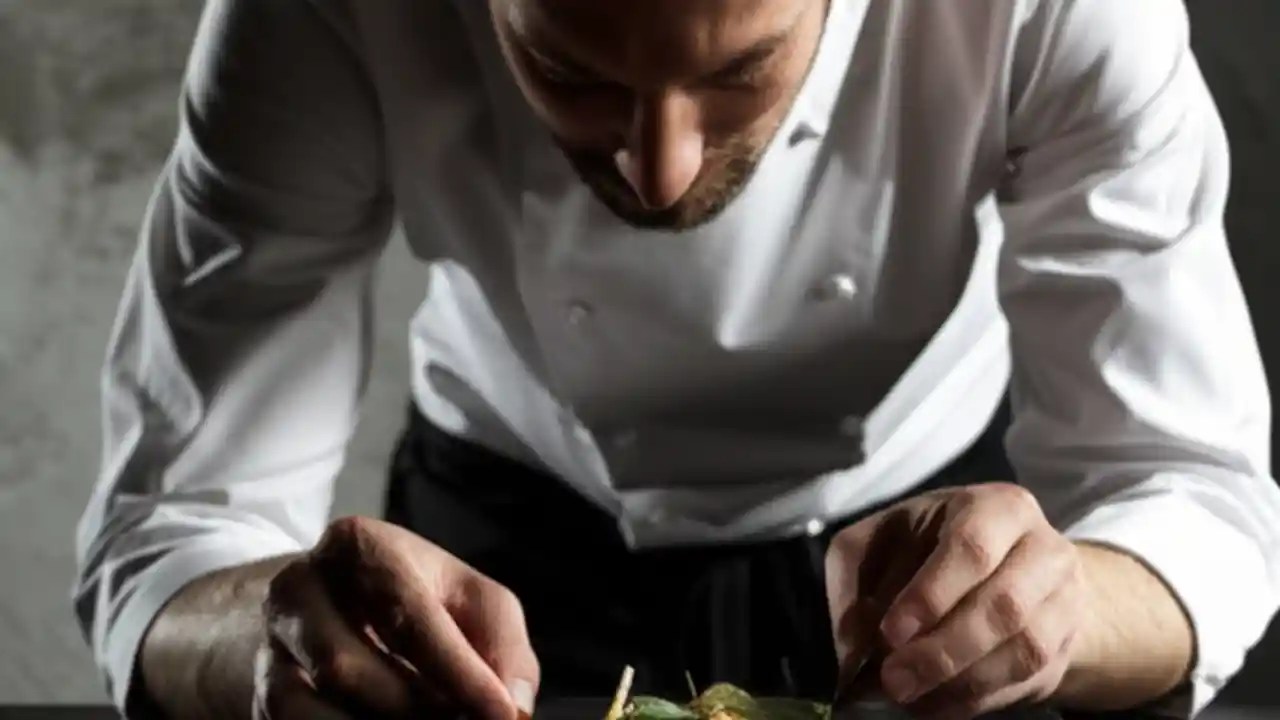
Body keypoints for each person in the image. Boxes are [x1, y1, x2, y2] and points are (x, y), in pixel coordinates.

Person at [73, 0, 1280, 718]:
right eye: (567, 70)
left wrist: (1059, 604)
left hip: (921, 563)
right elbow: (179, 521)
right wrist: (264, 633)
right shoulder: (312, 11)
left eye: (740, 71)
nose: (657, 173)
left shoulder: (1060, 7)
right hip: (497, 559)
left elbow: (1191, 492)